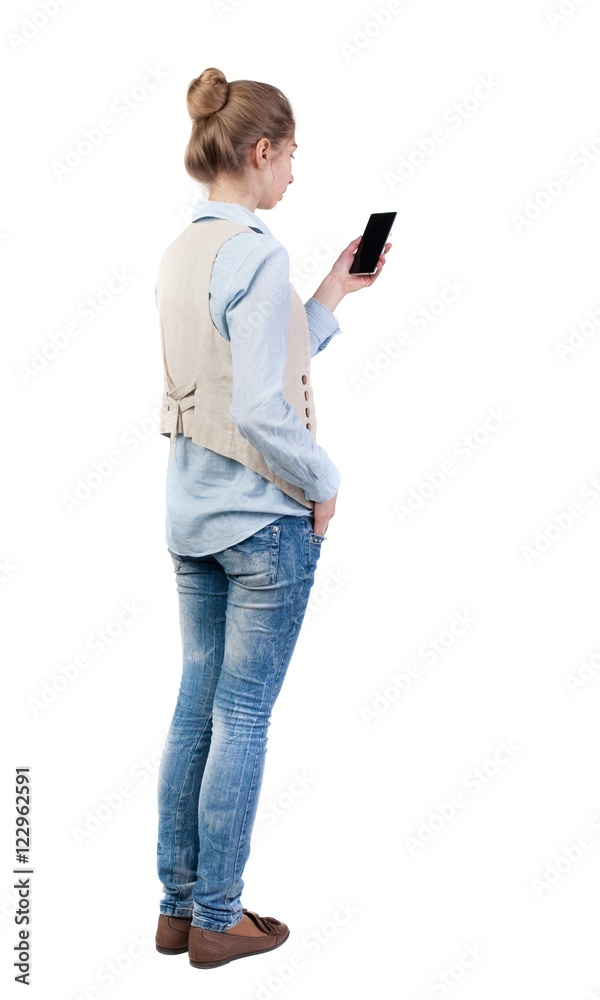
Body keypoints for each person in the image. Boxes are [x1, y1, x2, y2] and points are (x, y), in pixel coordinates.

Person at [154, 66, 391, 970]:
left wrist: (331, 293)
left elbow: (249, 362)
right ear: (260, 151)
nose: (293, 173)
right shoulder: (257, 255)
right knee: (243, 717)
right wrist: (323, 481)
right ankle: (220, 916)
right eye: (290, 156)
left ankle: (179, 909)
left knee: (196, 710)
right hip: (263, 523)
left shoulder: (187, 251)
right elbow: (259, 407)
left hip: (192, 518)